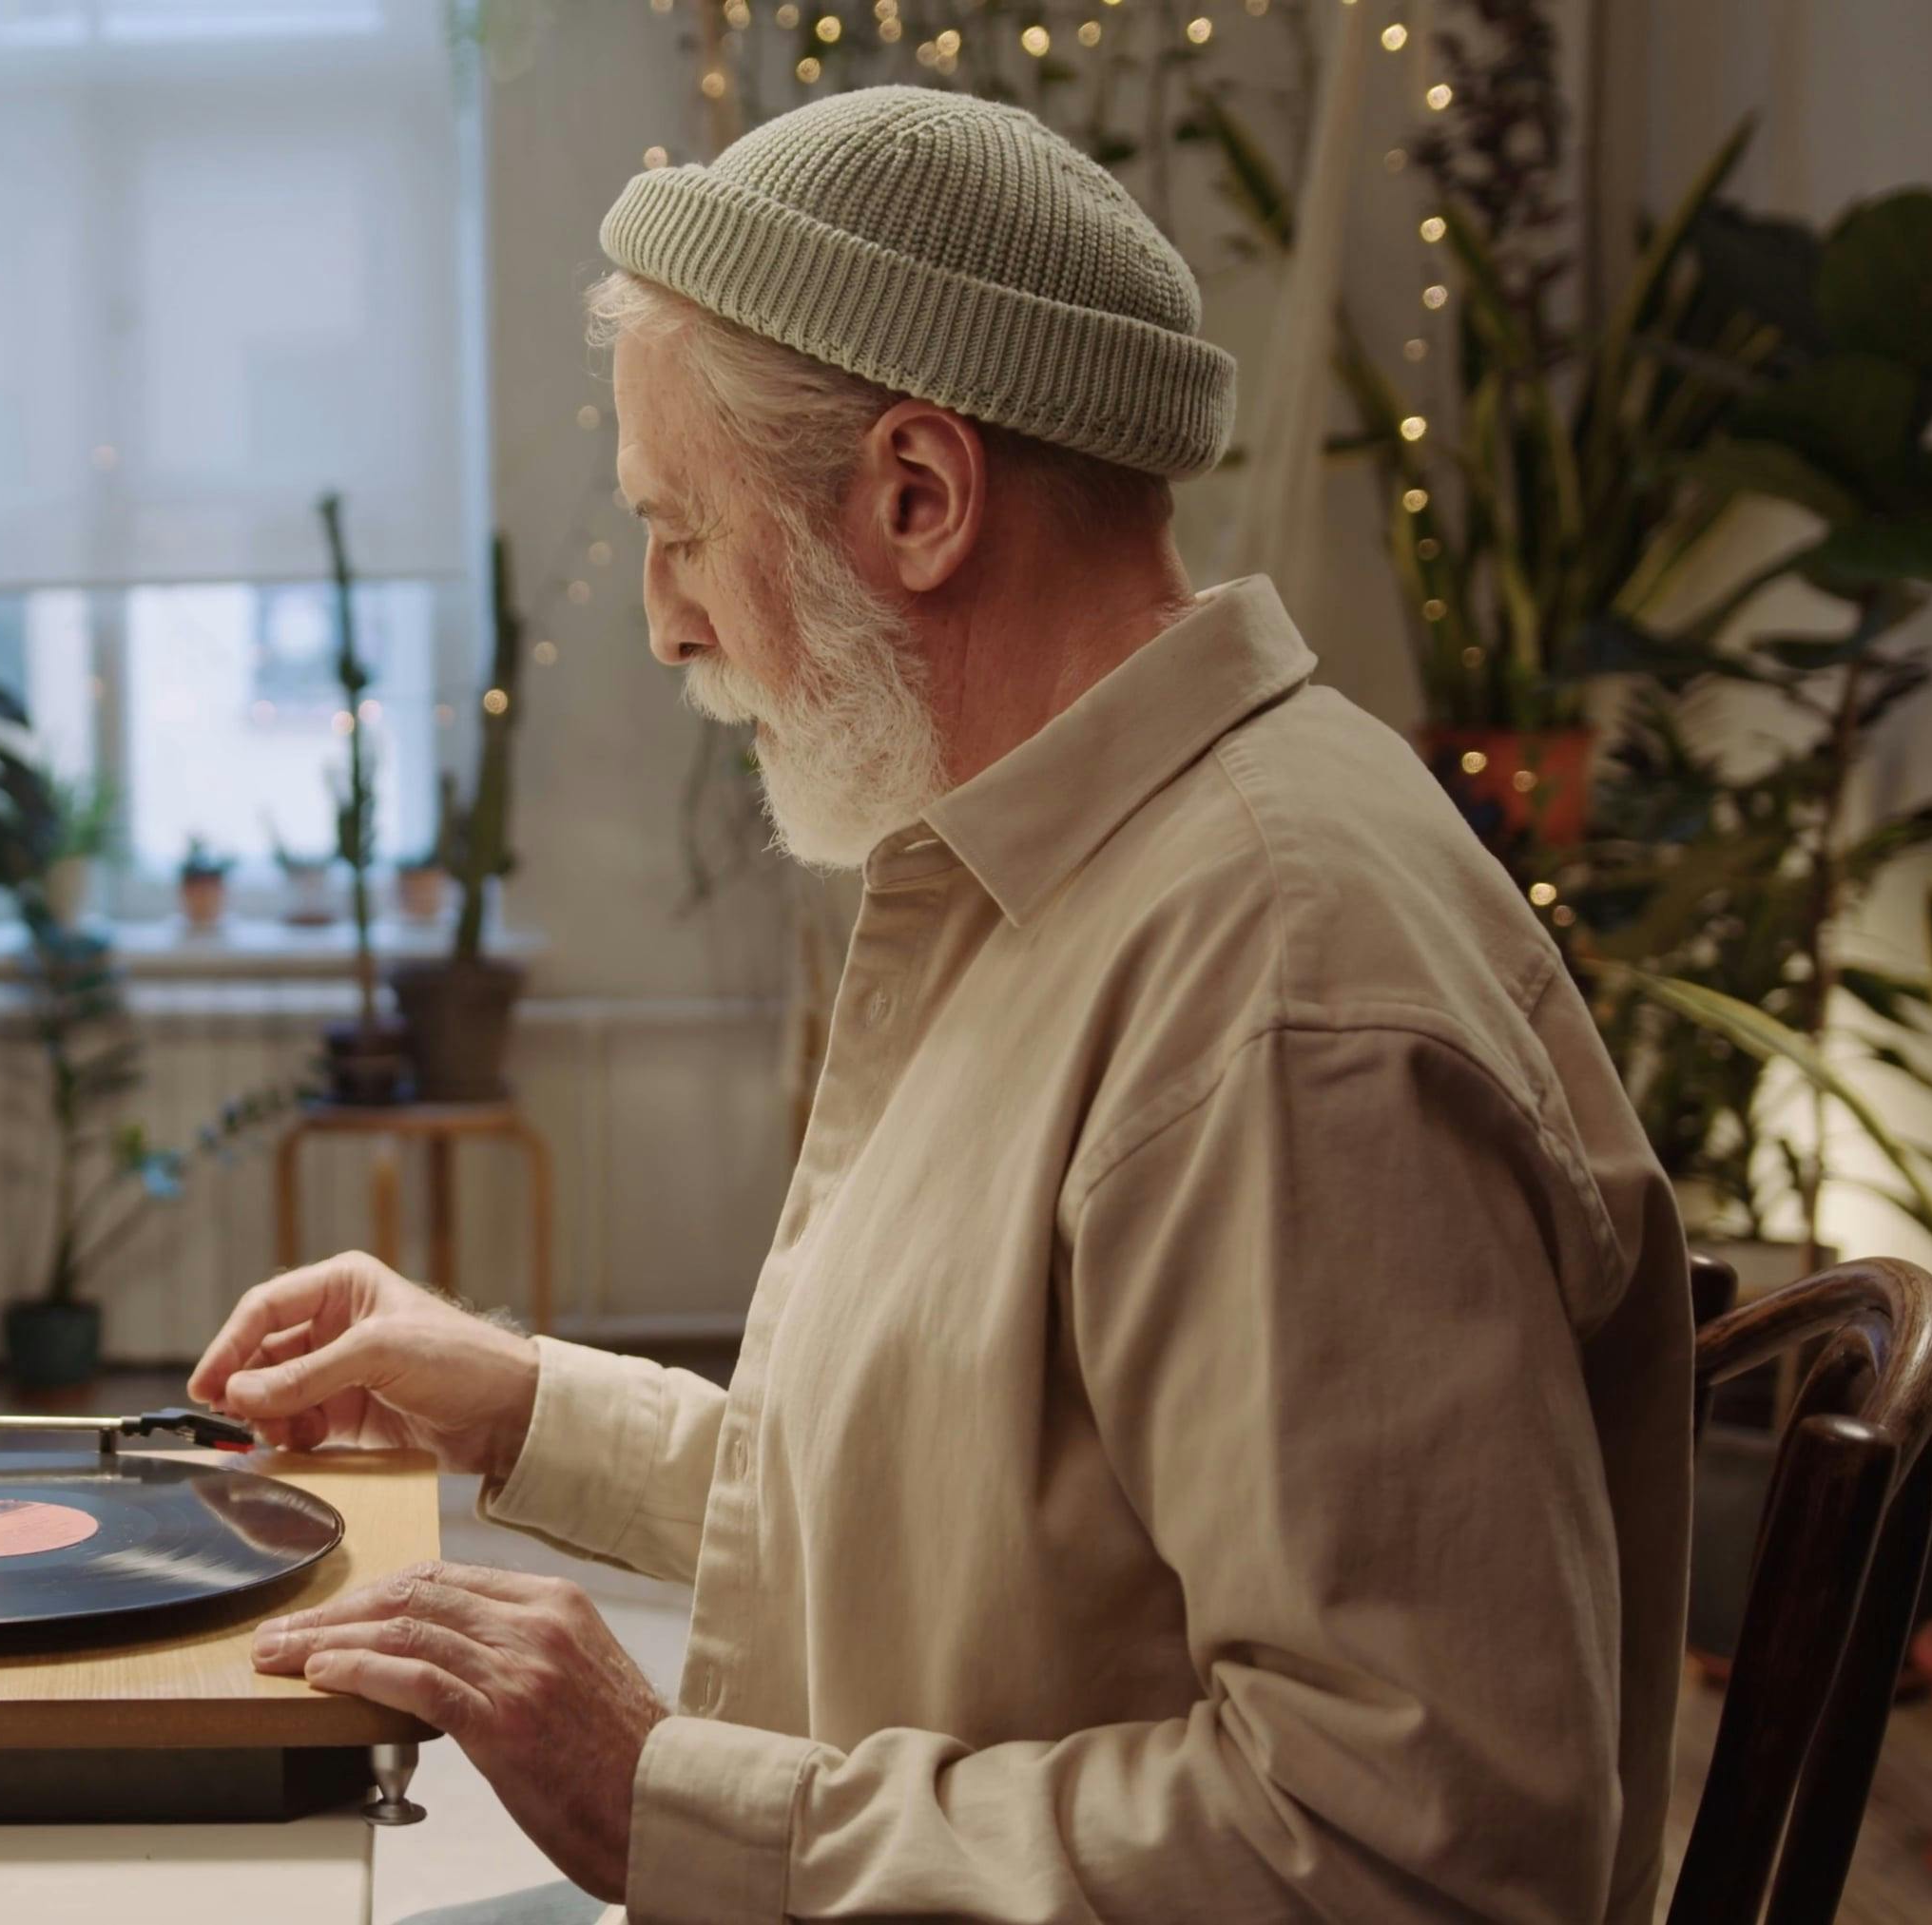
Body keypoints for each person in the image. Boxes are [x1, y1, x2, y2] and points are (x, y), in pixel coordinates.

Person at [189, 87, 1692, 1925]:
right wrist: (520, 1404)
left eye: (681, 530)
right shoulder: (1071, 872)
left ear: (918, 497)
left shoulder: (1282, 994)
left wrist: (670, 1797)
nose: (666, 620)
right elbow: (971, 1523)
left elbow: (1416, 1850)